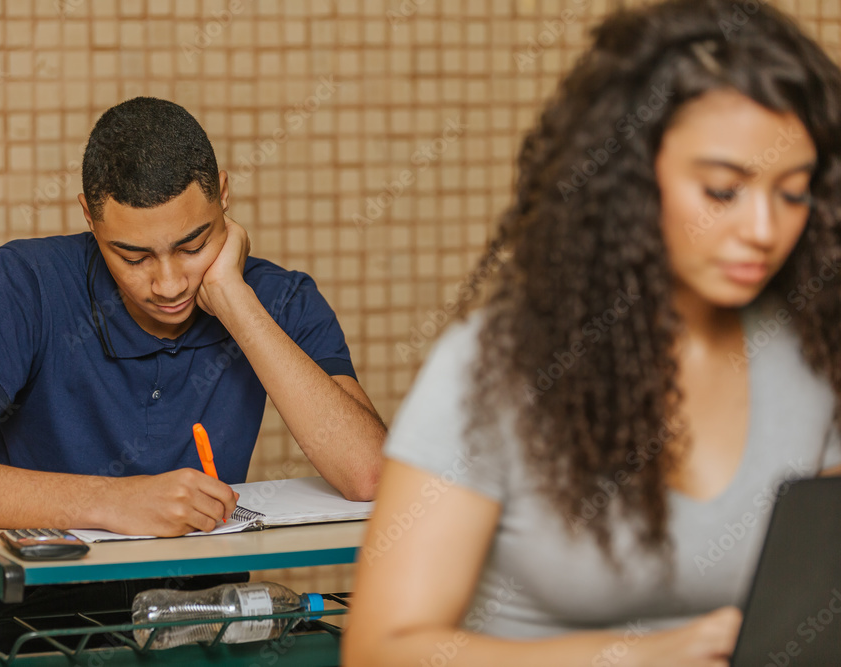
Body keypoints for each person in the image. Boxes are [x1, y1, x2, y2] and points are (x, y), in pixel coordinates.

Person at [343, 1, 841, 665]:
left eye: (792, 192)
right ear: (629, 177)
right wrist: (640, 656)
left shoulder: (812, 353)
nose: (763, 227)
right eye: (723, 190)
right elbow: (381, 650)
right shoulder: (495, 368)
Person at [0, 97, 386, 663]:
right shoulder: (26, 285)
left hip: (203, 638)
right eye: (133, 256)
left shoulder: (280, 300)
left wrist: (235, 302)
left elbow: (369, 474)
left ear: (225, 194)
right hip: (34, 646)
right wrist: (114, 500)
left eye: (193, 245)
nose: (169, 283)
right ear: (88, 216)